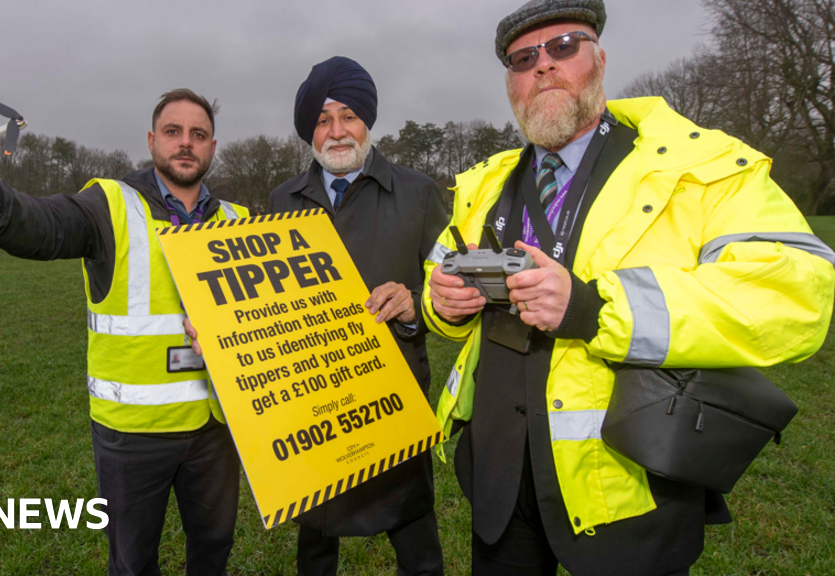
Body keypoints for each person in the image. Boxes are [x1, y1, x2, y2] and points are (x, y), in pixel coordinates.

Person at [422, 1, 835, 575]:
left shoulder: (699, 165)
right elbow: (439, 275)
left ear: (600, 59)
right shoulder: (484, 183)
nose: (543, 65)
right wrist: (444, 303)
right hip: (499, 480)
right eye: (523, 58)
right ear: (511, 84)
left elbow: (796, 292)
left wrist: (595, 309)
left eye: (563, 46)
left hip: (627, 484)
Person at [0, 89, 249, 576]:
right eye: (173, 132)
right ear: (152, 140)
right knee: (131, 562)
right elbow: (42, 225)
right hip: (132, 433)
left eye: (198, 135)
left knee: (213, 552)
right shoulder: (109, 203)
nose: (185, 143)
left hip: (215, 428)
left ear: (212, 147)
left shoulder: (239, 221)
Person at [271, 55, 448, 576]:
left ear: (367, 121)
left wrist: (415, 302)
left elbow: (449, 284)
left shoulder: (419, 193)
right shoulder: (283, 199)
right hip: (313, 398)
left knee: (415, 531)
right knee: (316, 534)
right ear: (309, 132)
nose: (336, 131)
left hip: (396, 393)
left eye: (348, 115)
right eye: (322, 120)